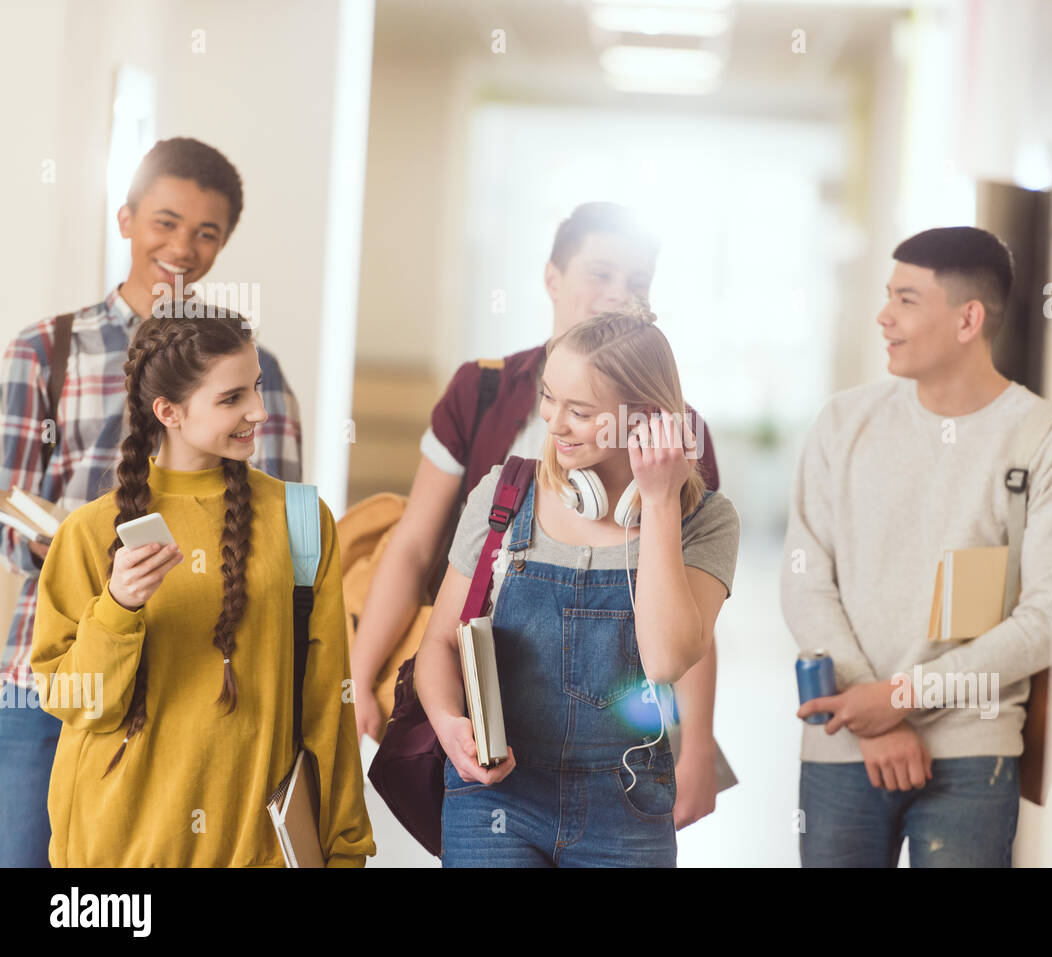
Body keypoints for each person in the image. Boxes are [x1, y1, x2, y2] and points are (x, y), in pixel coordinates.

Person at [350, 202, 727, 829]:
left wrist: (699, 743)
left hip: (616, 734)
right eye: (600, 274)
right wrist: (362, 675)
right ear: (552, 278)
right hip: (488, 708)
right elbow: (415, 544)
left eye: (637, 282)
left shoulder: (677, 434)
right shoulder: (484, 390)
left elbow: (691, 606)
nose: (618, 295)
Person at [0, 137, 302, 867]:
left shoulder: (255, 372)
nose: (183, 247)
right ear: (126, 218)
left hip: (196, 687)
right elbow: (10, 513)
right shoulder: (46, 350)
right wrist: (104, 567)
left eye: (207, 232)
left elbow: (286, 540)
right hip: (51, 680)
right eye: (166, 222)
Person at [29, 311, 373, 867]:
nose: (259, 412)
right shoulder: (89, 533)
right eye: (231, 397)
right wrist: (118, 608)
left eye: (256, 388)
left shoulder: (302, 520)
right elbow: (76, 703)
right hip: (118, 850)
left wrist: (346, 846)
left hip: (255, 846)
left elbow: (328, 702)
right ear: (168, 411)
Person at [782, 226, 1052, 867]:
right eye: (888, 295)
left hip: (972, 754)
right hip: (842, 743)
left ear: (969, 318)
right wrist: (870, 713)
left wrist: (901, 699)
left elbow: (1049, 619)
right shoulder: (843, 422)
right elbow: (805, 578)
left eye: (907, 300)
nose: (884, 316)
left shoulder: (1045, 439)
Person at [415, 305, 740, 867]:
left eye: (581, 410)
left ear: (645, 418)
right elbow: (439, 643)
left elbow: (665, 660)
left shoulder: (704, 521)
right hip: (496, 796)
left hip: (629, 807)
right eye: (549, 397)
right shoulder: (502, 495)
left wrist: (659, 502)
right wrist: (449, 725)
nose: (554, 422)